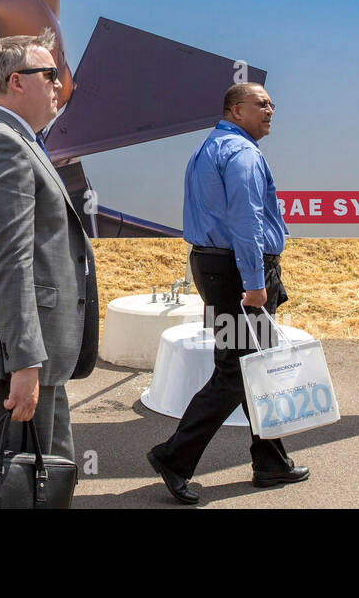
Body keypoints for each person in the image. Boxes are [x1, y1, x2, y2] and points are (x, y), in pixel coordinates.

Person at [146, 82, 308, 504]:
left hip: (216, 266)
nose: (271, 110)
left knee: (256, 363)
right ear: (236, 110)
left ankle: (271, 462)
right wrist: (255, 284)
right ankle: (173, 457)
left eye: (272, 102)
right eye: (261, 104)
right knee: (238, 369)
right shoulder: (242, 154)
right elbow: (246, 224)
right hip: (239, 274)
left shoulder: (210, 146)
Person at [0, 29, 98, 463]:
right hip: (13, 359)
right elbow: (11, 264)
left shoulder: (13, 139)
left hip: (17, 355)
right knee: (25, 486)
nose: (59, 85)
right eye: (49, 75)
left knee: (30, 481)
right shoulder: (1, 145)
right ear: (16, 81)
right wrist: (25, 364)